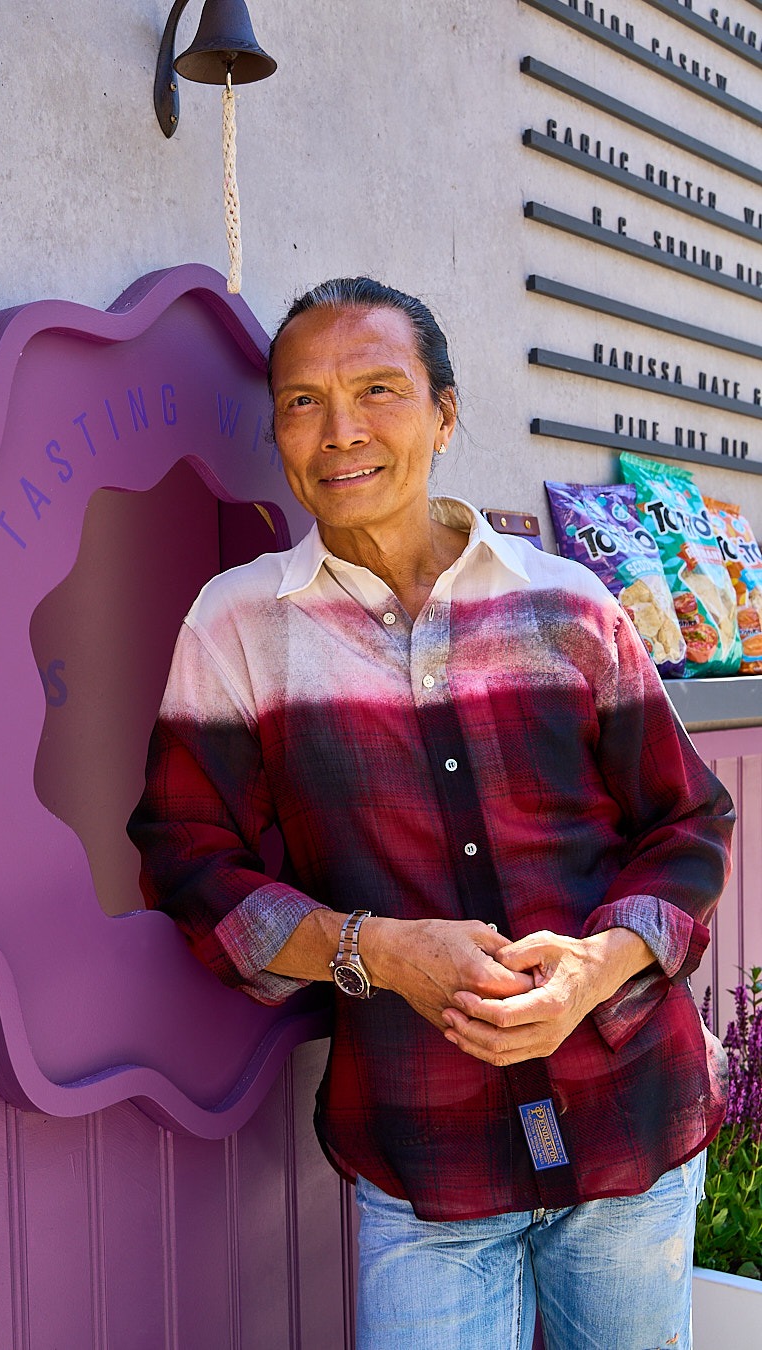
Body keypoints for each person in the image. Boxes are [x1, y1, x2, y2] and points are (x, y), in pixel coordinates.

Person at [128, 277, 733, 1349]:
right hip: (420, 1150)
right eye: (303, 401)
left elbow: (686, 823)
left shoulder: (570, 605)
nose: (342, 429)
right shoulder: (237, 629)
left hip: (625, 1119)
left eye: (378, 390)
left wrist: (599, 966)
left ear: (445, 415)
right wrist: (377, 952)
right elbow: (185, 860)